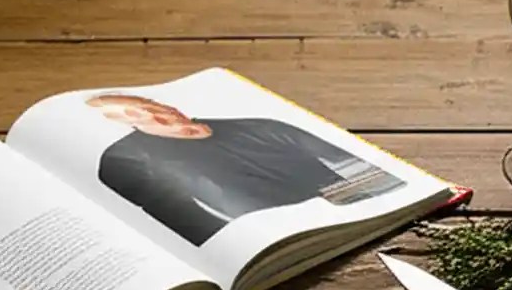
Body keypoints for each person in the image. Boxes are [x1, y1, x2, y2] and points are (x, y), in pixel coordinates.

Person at [88, 94, 404, 246]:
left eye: (152, 109)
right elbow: (188, 227)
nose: (155, 118)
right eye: (137, 117)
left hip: (351, 220)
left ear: (170, 107)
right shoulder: (126, 160)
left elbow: (367, 176)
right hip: (262, 244)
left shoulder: (262, 126)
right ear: (125, 125)